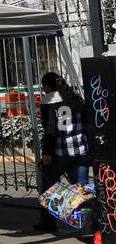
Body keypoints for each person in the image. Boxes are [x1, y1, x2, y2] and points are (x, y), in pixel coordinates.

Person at [35, 72, 91, 232]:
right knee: (81, 190)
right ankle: (86, 225)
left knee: (49, 188)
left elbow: (50, 130)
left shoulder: (49, 100)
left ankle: (48, 223)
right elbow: (87, 124)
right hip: (80, 151)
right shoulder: (75, 98)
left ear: (47, 86)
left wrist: (46, 153)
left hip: (60, 153)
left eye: (43, 87)